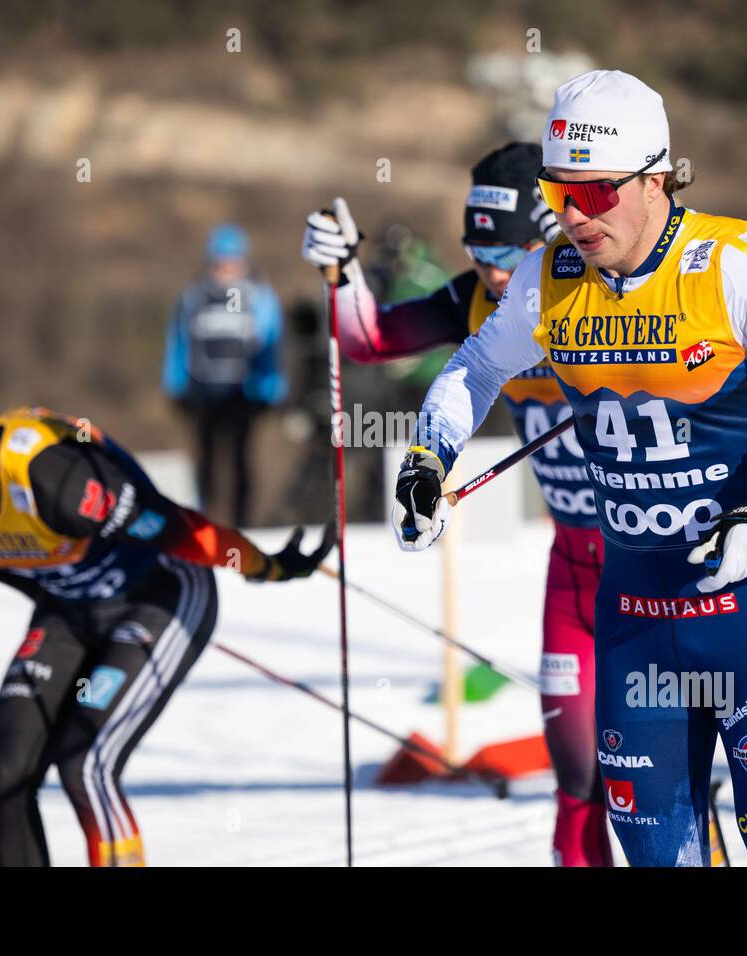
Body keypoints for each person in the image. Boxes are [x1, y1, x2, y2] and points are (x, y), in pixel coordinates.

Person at [392, 70, 747, 866]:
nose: (573, 218)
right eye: (560, 196)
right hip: (636, 623)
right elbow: (473, 371)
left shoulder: (730, 267)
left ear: (655, 178)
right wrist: (427, 460)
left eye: (594, 196)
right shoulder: (549, 281)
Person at [302, 142, 613, 866]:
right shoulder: (477, 298)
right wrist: (342, 273)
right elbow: (371, 339)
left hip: (649, 562)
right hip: (573, 566)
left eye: (507, 255)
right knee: (577, 778)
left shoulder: (603, 292)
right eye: (479, 253)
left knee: (654, 779)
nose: (493, 273)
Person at [0, 383, 332, 867]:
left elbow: (175, 528)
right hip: (72, 608)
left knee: (85, 762)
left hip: (161, 594)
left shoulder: (51, 480)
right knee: (6, 769)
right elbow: (23, 573)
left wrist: (266, 565)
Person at [162, 224, 286, 526]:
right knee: (206, 461)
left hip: (244, 392)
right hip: (202, 390)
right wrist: (175, 385)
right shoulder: (194, 296)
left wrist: (272, 389)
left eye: (232, 259)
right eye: (221, 259)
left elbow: (272, 344)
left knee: (241, 461)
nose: (227, 266)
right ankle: (207, 522)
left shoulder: (260, 296)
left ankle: (244, 525)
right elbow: (178, 342)